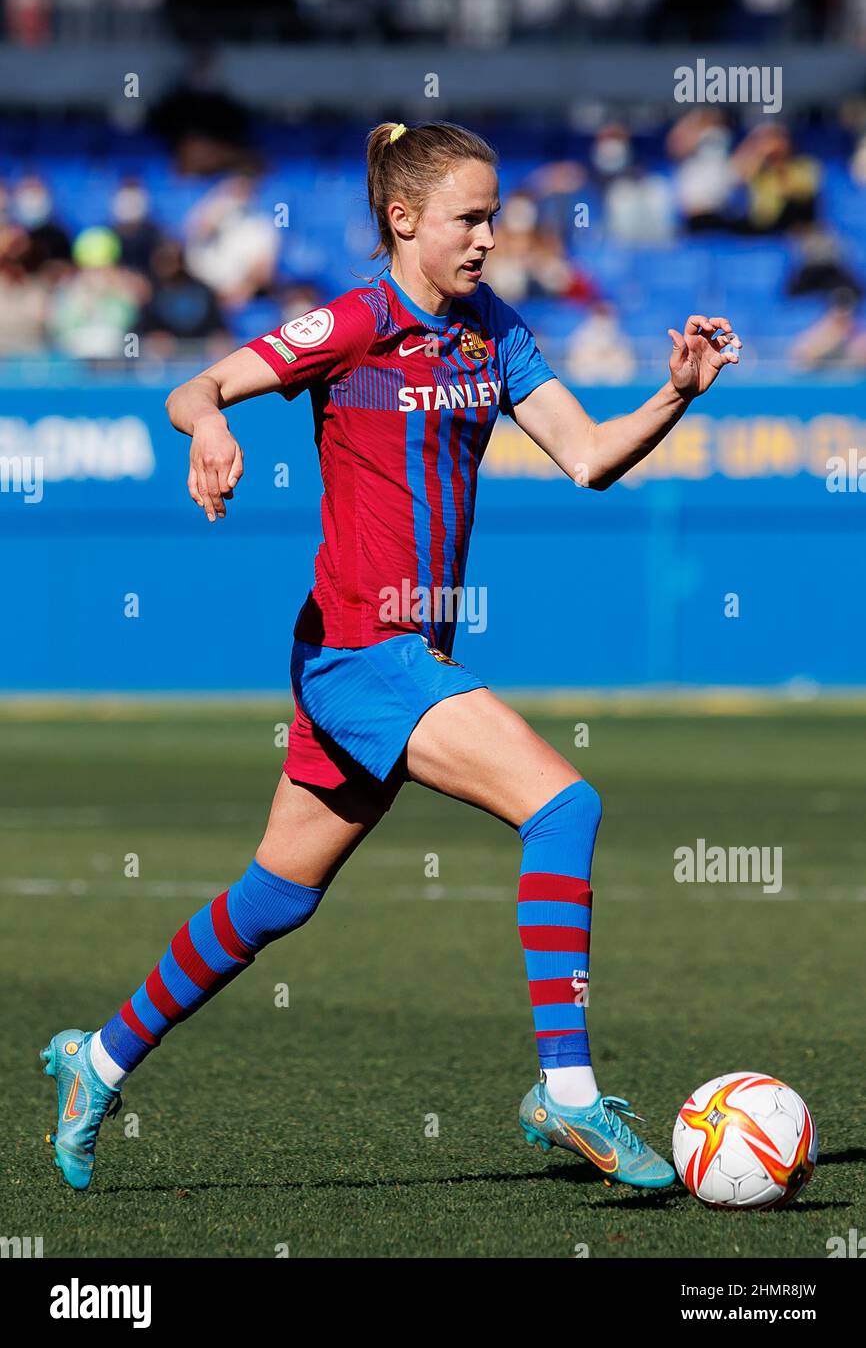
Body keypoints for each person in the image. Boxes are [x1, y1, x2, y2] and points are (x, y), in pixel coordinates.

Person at [41, 120, 741, 1193]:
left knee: (275, 896)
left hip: (390, 653)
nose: (487, 236)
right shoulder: (356, 322)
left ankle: (94, 1058)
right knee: (563, 807)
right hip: (362, 647)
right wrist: (209, 428)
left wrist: (677, 390)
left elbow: (590, 459)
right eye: (468, 217)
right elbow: (197, 388)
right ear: (403, 219)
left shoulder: (490, 331)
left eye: (494, 215)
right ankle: (564, 1097)